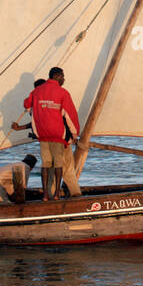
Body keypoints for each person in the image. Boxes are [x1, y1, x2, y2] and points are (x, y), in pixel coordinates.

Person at [24, 67, 82, 200]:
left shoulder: (36, 92)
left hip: (43, 137)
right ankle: (70, 194)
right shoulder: (62, 93)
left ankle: (47, 195)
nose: (64, 79)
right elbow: (70, 116)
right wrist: (74, 135)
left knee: (47, 166)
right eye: (62, 76)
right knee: (63, 167)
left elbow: (27, 106)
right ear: (57, 76)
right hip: (60, 138)